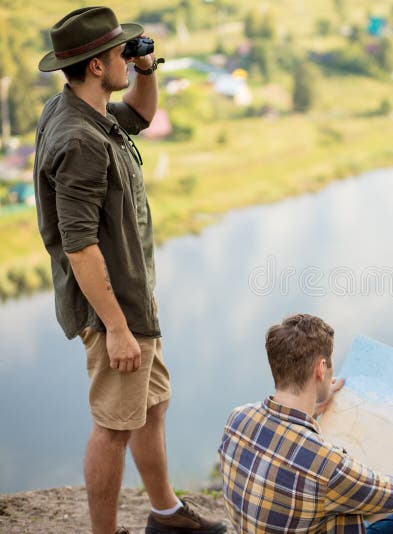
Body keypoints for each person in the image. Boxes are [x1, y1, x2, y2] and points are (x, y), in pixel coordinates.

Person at [33, 7, 225, 534]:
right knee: (113, 426)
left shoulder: (86, 110)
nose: (129, 54)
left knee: (152, 404)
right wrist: (116, 328)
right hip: (112, 306)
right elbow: (79, 246)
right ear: (96, 66)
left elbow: (139, 115)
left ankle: (165, 515)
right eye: (121, 51)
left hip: (133, 297)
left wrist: (145, 70)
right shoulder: (79, 140)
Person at [218, 313, 393, 533]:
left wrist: (315, 408)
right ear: (321, 369)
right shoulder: (326, 465)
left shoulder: (238, 418)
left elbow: (283, 450)